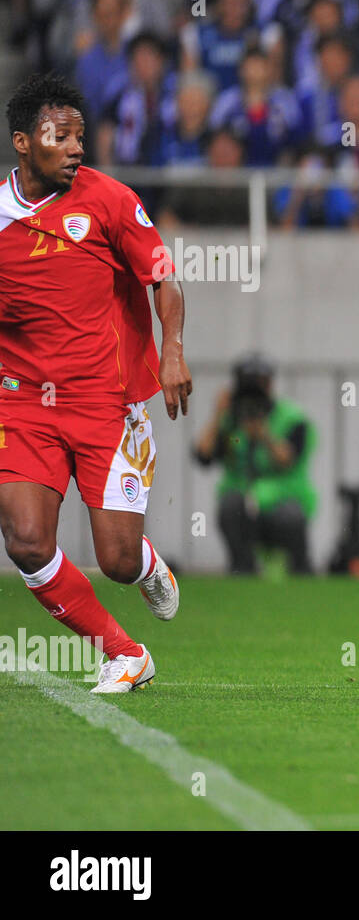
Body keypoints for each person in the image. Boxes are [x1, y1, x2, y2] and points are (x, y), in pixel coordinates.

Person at [0, 73, 191, 693]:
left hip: (105, 403)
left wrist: (172, 352)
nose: (77, 148)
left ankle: (144, 564)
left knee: (116, 561)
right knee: (27, 542)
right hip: (23, 404)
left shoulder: (109, 200)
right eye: (62, 136)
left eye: (82, 136)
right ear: (24, 142)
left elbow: (164, 277)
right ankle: (124, 652)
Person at [194, 354, 317, 575]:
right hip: (241, 504)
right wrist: (217, 414)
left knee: (290, 516)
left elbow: (288, 460)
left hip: (282, 502)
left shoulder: (291, 417)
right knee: (230, 506)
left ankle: (299, 568)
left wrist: (263, 435)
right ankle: (242, 569)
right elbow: (203, 456)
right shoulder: (230, 419)